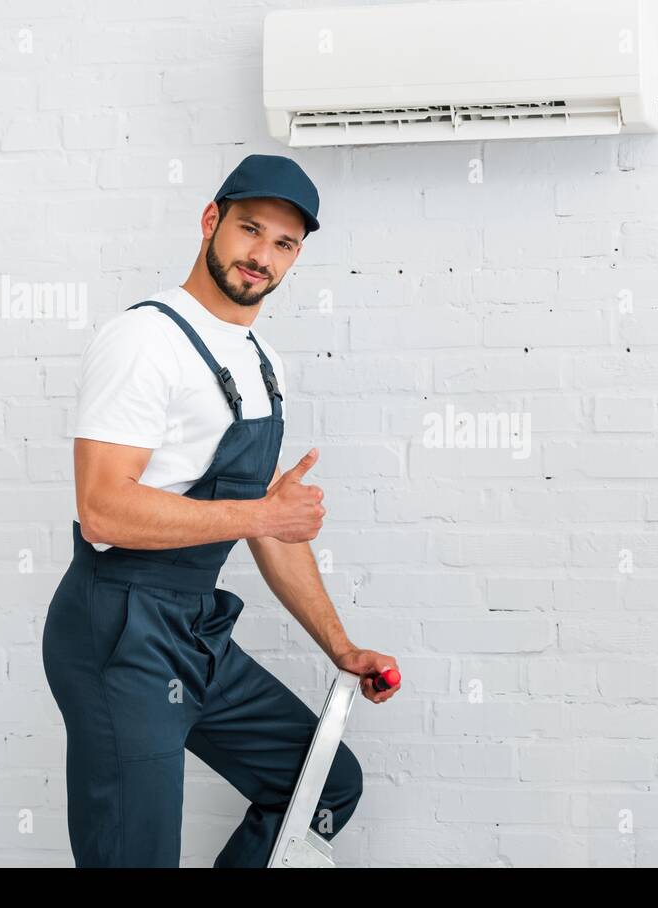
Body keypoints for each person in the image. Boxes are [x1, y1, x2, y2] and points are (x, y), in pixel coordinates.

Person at [42, 154, 400, 867]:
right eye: (249, 230)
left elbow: (267, 522)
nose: (261, 255)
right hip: (117, 627)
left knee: (322, 783)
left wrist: (340, 645)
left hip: (191, 628)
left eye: (284, 243)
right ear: (211, 222)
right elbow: (103, 509)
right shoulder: (145, 340)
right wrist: (261, 516)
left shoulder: (263, 360)